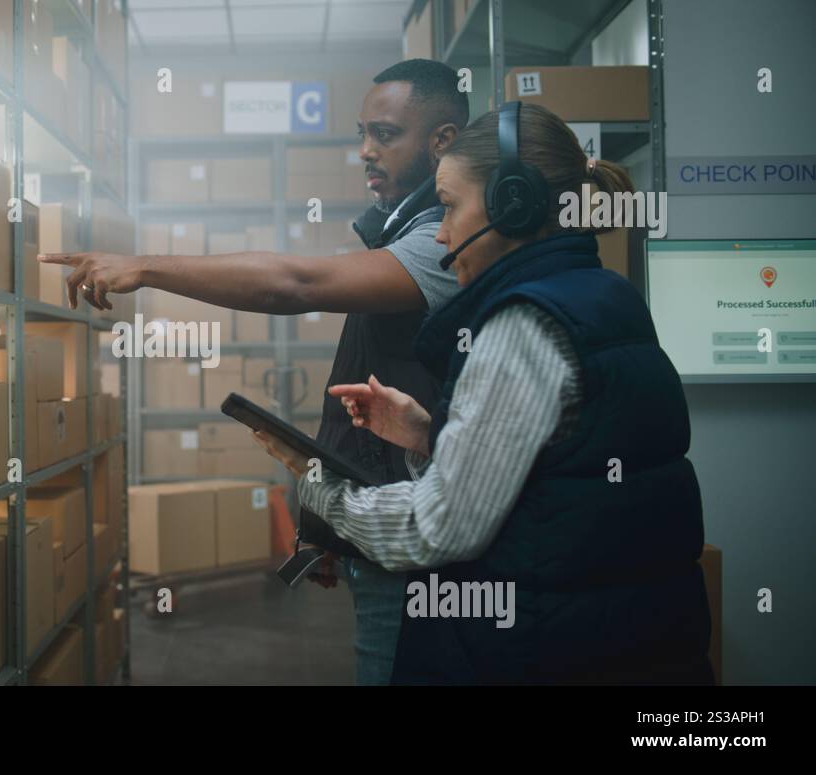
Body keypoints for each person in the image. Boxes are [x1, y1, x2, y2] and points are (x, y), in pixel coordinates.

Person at [254, 101, 714, 685]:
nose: (442, 234)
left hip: (549, 653)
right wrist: (431, 434)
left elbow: (434, 528)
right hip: (627, 645)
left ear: (511, 204)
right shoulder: (602, 296)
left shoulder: (523, 326)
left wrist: (320, 487)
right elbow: (562, 469)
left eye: (448, 207)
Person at [41, 60, 468, 686]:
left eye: (384, 134)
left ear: (442, 141)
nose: (364, 151)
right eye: (361, 134)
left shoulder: (441, 241)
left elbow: (296, 284)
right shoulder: (402, 232)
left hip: (407, 553)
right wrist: (329, 527)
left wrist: (146, 267)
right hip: (379, 532)